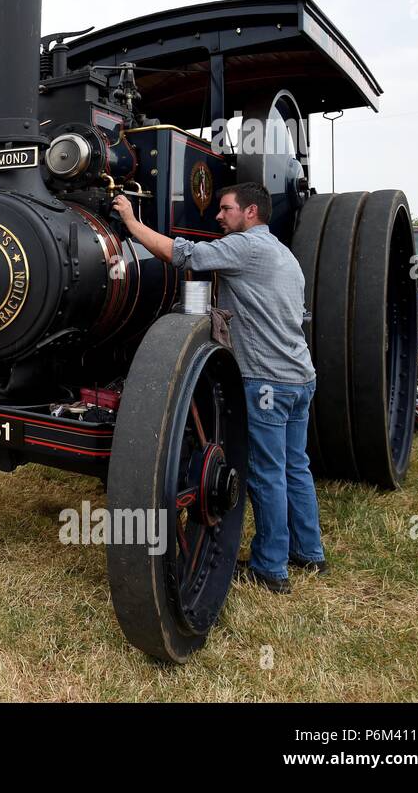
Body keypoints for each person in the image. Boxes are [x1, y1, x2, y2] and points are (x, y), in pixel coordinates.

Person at [112, 181, 326, 594]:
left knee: (266, 474)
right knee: (295, 466)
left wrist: (131, 223)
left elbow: (182, 255)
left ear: (250, 213)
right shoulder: (284, 254)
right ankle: (309, 551)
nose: (218, 216)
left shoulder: (246, 247)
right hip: (301, 378)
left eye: (225, 209)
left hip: (266, 381)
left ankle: (271, 568)